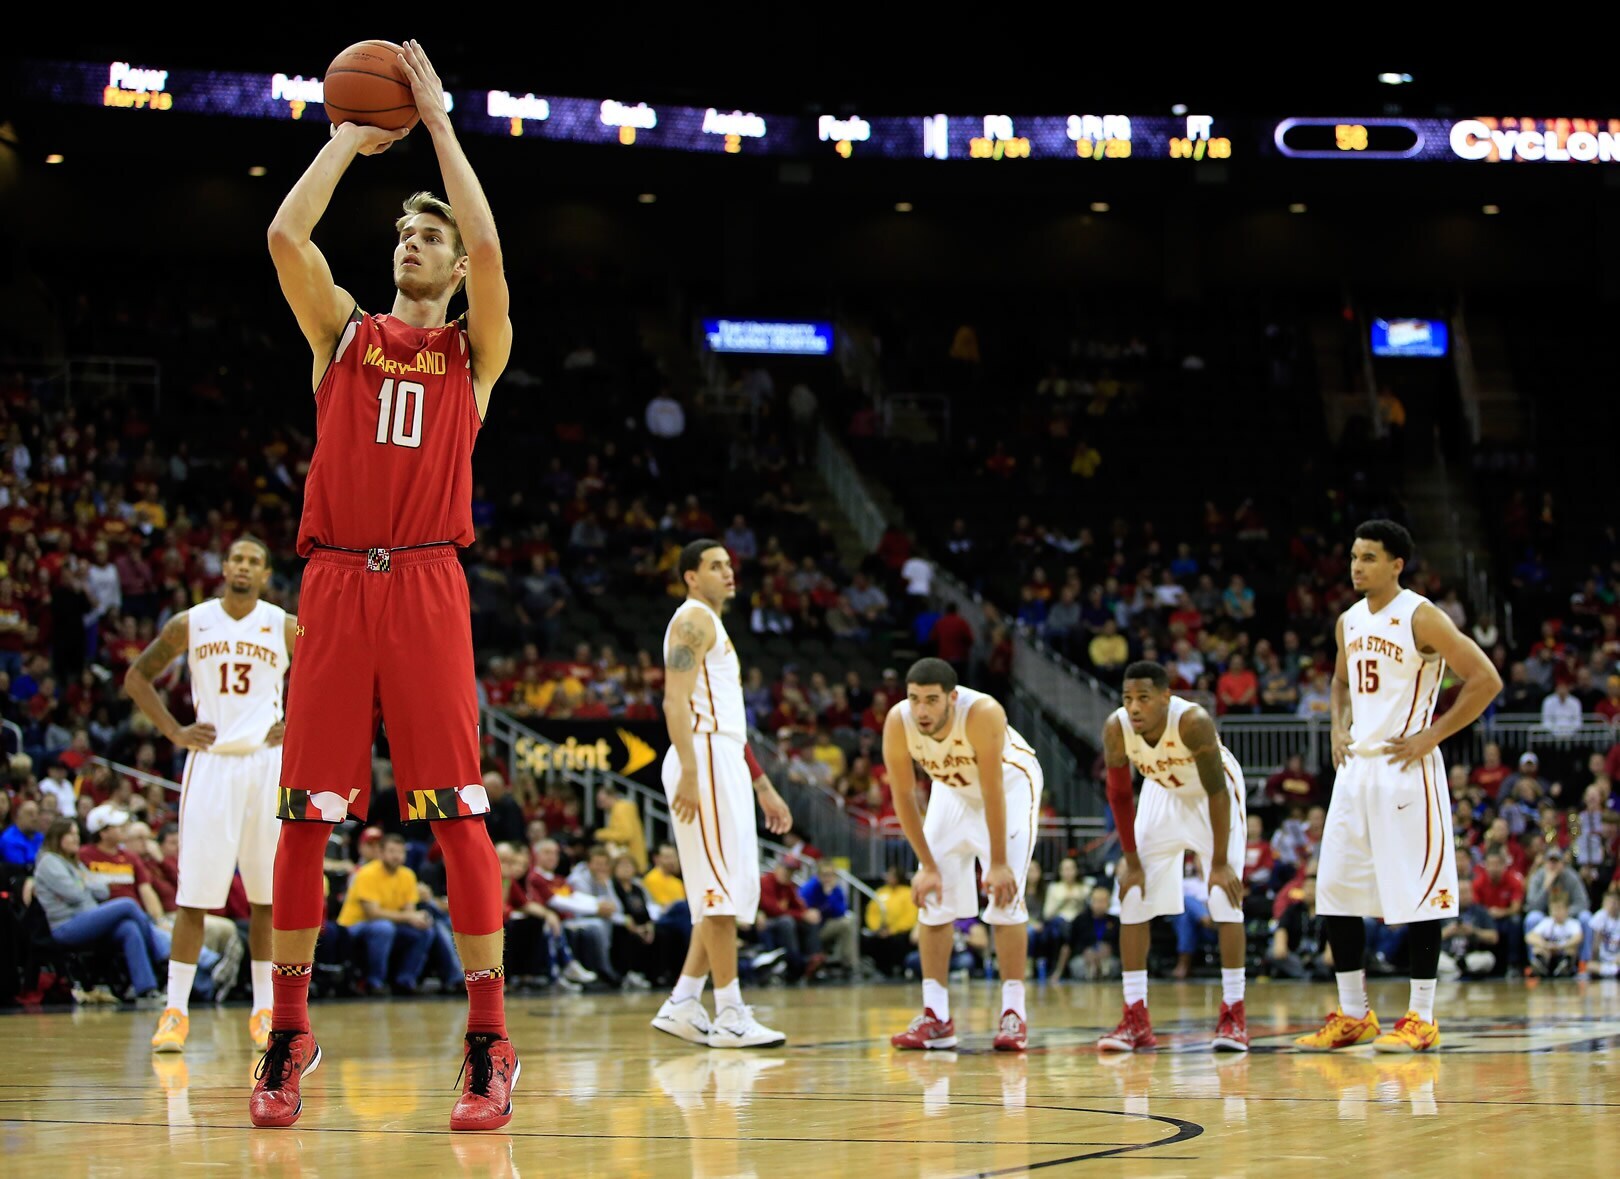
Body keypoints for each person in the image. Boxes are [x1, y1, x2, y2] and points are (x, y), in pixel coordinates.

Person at [252, 42, 518, 1132]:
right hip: (334, 585)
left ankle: (489, 1046)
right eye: (403, 231)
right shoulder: (343, 333)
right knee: (307, 817)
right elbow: (283, 236)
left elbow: (496, 244)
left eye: (428, 236)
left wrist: (442, 126)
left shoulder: (475, 351)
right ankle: (286, 1035)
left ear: (452, 268)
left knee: (457, 815)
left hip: (423, 588)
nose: (410, 242)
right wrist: (347, 139)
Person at [1297, 521, 1502, 1054]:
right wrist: (1339, 727)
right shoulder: (1347, 620)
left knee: (1416, 894)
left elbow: (1485, 680)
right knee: (1335, 891)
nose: (1356, 566)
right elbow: (1340, 682)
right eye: (1353, 556)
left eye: (1368, 557)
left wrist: (1433, 734)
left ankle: (1422, 1017)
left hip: (1405, 769)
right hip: (1356, 772)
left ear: (1396, 565)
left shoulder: (1421, 615)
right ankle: (1354, 1016)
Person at [125, 537, 292, 1055]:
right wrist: (174, 731)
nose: (243, 567)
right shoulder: (191, 622)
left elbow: (331, 671)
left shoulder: (284, 623)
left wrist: (296, 720)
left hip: (266, 765)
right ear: (223, 568)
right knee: (193, 896)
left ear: (265, 574)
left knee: (266, 896)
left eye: (253, 561)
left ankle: (265, 1010)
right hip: (212, 763)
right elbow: (137, 678)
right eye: (236, 559)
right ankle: (175, 1012)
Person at [651, 540, 793, 1049]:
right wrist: (690, 769)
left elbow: (731, 723)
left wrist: (763, 784)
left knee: (726, 888)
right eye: (716, 566)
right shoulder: (692, 620)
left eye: (730, 565)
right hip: (704, 758)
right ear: (691, 576)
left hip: (723, 757)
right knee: (718, 891)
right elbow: (674, 702)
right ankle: (730, 1012)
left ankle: (685, 1001)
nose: (729, 573)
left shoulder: (714, 624)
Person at [884, 657, 1045, 1053]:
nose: (921, 710)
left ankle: (1013, 1013)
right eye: (915, 699)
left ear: (952, 699)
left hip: (1008, 787)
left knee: (1005, 894)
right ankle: (936, 1017)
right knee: (933, 896)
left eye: (932, 701)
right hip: (952, 790)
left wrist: (999, 861)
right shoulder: (898, 721)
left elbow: (991, 791)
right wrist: (928, 865)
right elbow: (903, 796)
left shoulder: (983, 713)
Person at [1096, 662, 1250, 1053]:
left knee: (1223, 897)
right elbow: (1119, 795)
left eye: (1143, 698)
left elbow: (1217, 791)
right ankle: (1135, 1017)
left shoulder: (1192, 721)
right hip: (1162, 792)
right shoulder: (1117, 728)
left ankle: (1233, 1013)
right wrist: (1130, 860)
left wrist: (1217, 863)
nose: (1133, 707)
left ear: (1166, 697)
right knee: (1131, 894)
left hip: (1210, 798)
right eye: (1128, 698)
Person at [31, 818, 165, 1003]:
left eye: (77, 834)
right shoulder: (49, 862)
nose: (76, 839)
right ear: (58, 836)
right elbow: (74, 893)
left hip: (88, 919)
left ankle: (146, 989)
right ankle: (161, 956)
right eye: (71, 834)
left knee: (129, 928)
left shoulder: (74, 864)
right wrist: (86, 882)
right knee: (128, 904)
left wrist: (83, 882)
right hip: (67, 926)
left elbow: (103, 890)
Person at [337, 833, 454, 994]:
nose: (396, 856)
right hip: (353, 926)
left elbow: (409, 912)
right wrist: (410, 917)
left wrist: (419, 919)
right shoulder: (367, 873)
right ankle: (374, 982)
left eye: (400, 852)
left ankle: (405, 981)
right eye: (392, 851)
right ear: (382, 853)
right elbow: (372, 913)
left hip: (388, 924)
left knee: (425, 930)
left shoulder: (407, 875)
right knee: (383, 928)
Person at [863, 865, 918, 977]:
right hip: (881, 929)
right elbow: (871, 912)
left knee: (898, 941)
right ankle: (880, 970)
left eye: (891, 875)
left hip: (900, 931)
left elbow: (910, 916)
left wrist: (893, 930)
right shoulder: (881, 892)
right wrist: (877, 929)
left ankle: (900, 969)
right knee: (870, 940)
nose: (888, 877)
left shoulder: (907, 893)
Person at [1526, 890, 1583, 976]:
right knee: (1537, 948)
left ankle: (1565, 966)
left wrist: (1562, 946)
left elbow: (1578, 937)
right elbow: (1529, 936)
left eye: (1559, 909)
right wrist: (1545, 944)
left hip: (1563, 951)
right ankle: (1540, 965)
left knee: (1571, 949)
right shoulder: (1547, 922)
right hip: (1549, 954)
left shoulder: (1572, 923)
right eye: (1554, 909)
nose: (1557, 913)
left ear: (1567, 909)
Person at [1, 798, 44, 867]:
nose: (35, 818)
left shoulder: (40, 837)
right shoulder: (10, 839)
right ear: (18, 816)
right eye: (30, 814)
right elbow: (21, 869)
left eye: (37, 814)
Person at [1589, 885, 1620, 979]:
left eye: (1614, 902)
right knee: (1590, 966)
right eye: (1609, 902)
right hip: (1604, 960)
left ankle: (1610, 971)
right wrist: (1594, 959)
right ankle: (1613, 972)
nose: (1612, 905)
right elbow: (1595, 943)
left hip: (1617, 958)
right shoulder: (1600, 916)